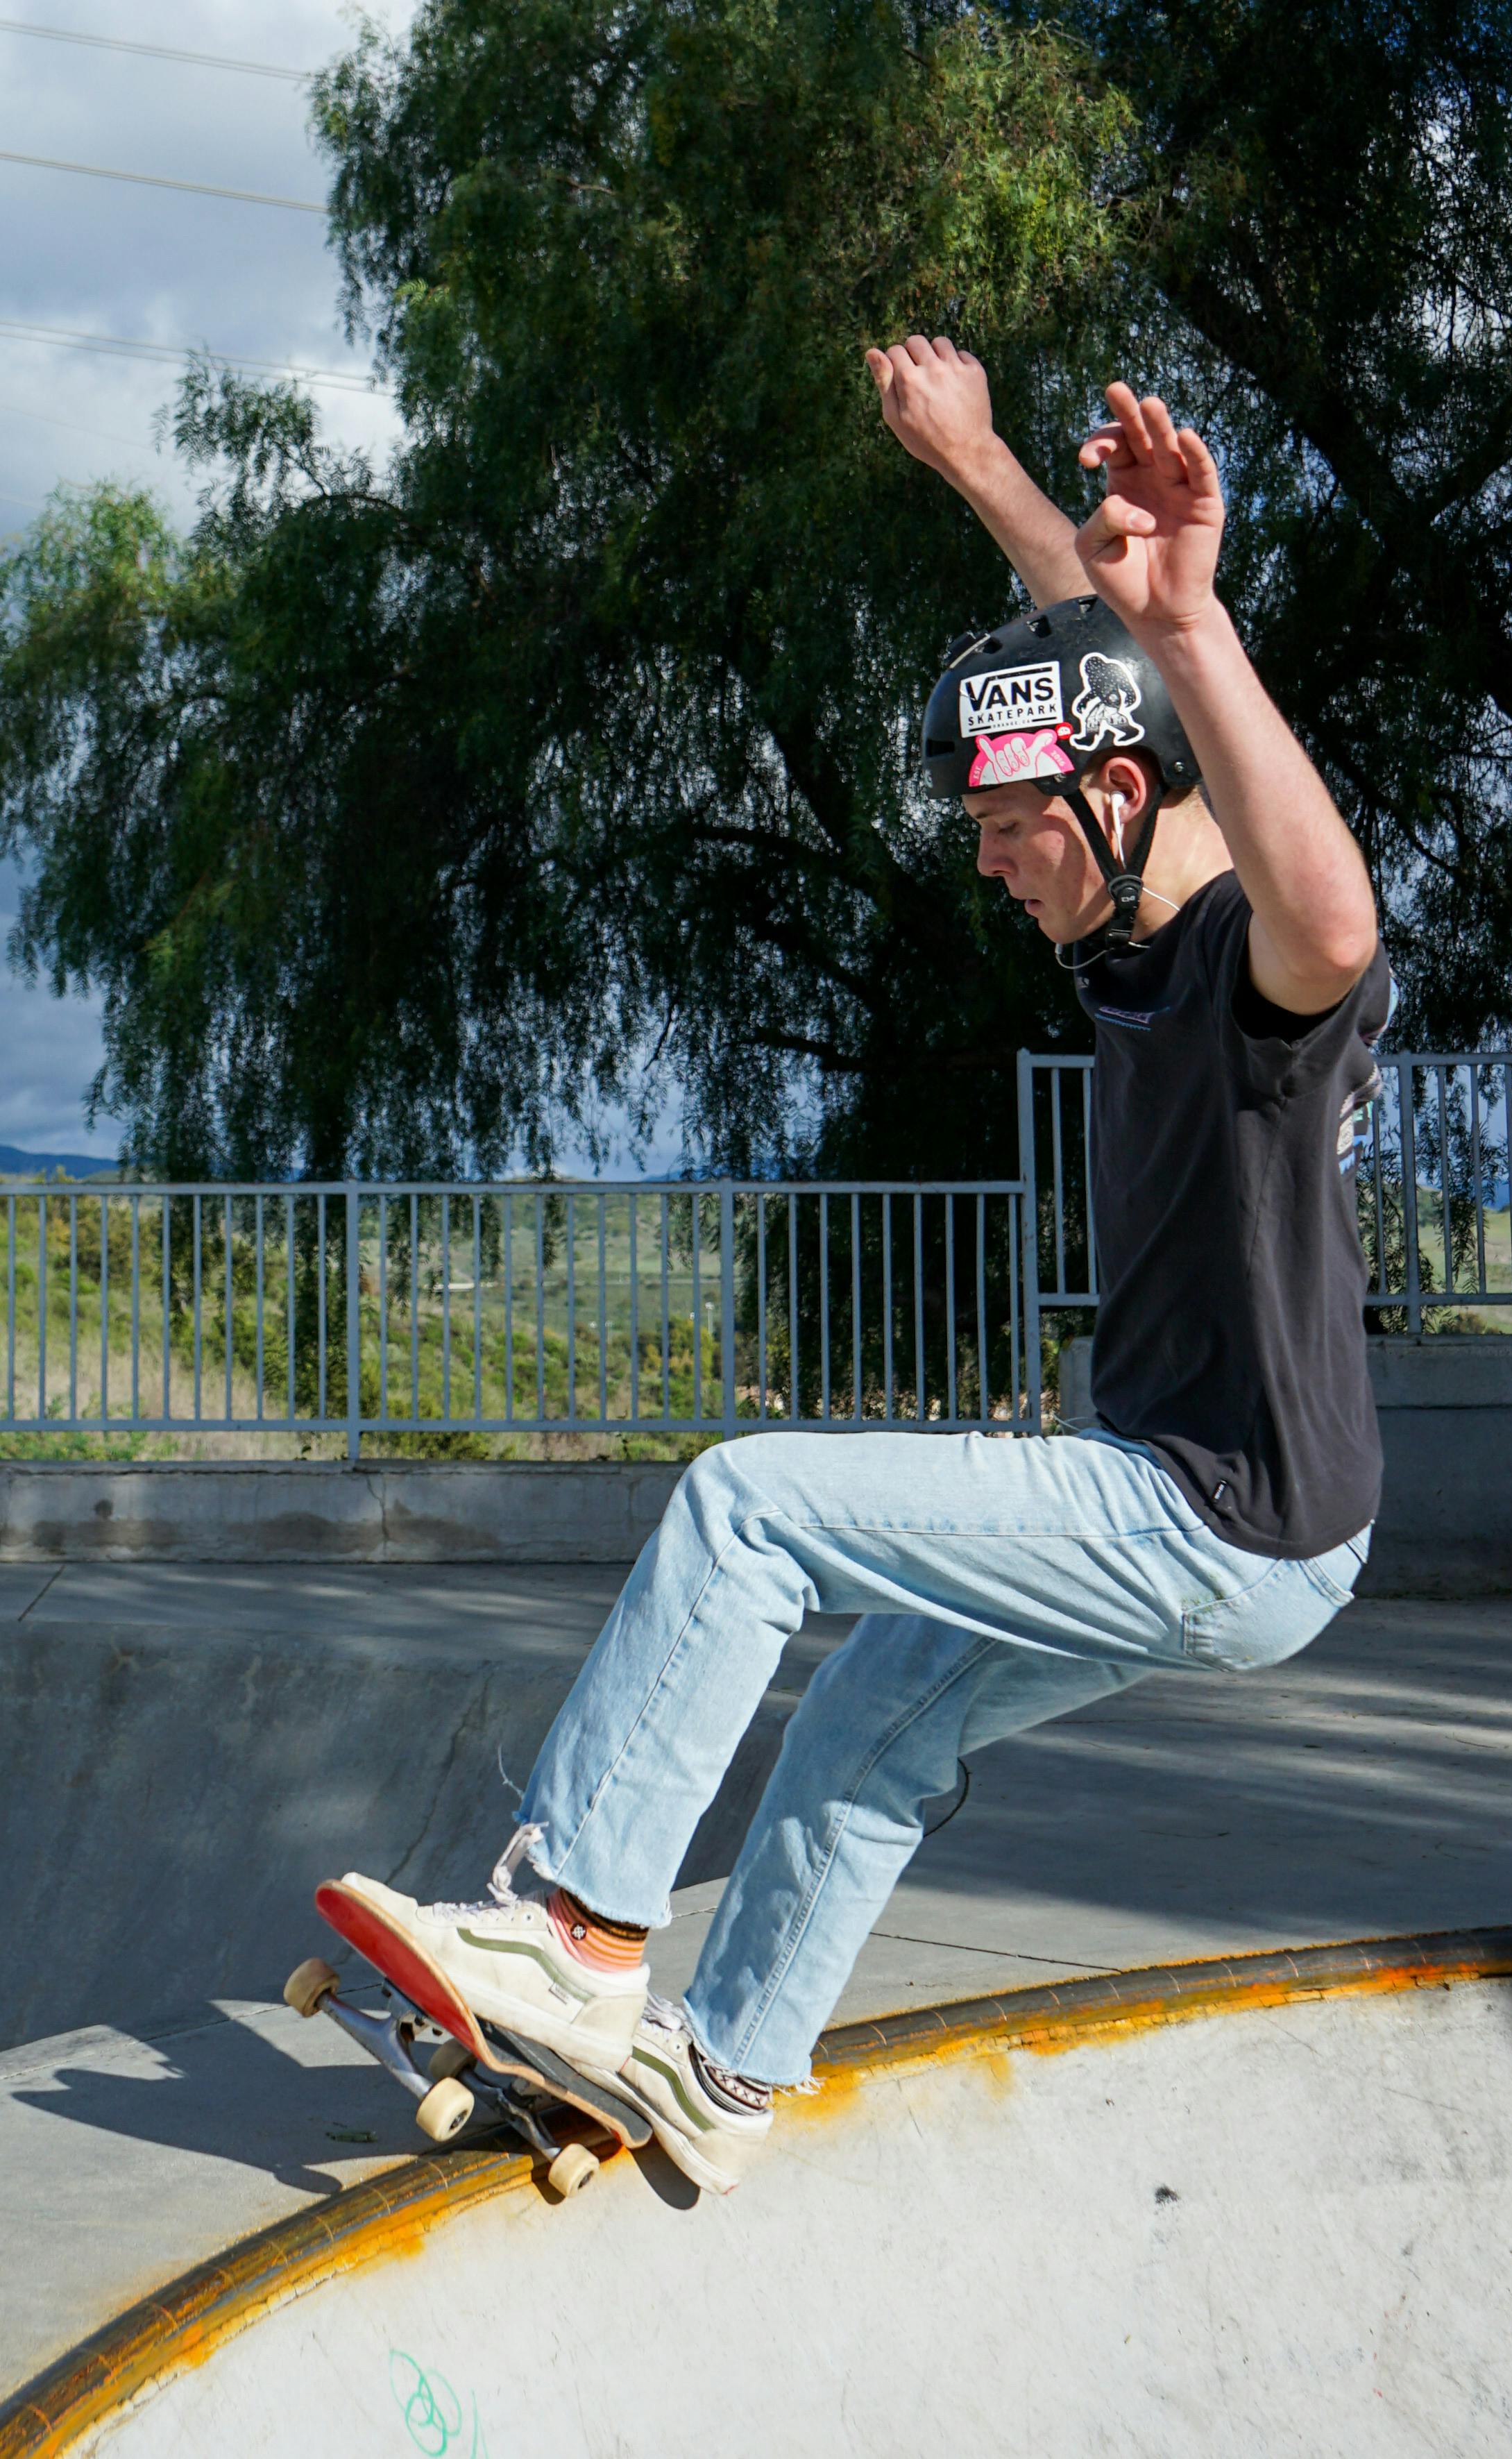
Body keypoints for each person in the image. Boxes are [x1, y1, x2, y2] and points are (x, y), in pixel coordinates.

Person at [339, 339, 1389, 2197]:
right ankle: (721, 2078)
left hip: (1208, 1506)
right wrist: (988, 472)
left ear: (1117, 803)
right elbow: (1099, 674)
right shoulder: (1122, 909)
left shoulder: (1250, 971)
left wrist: (1203, 623)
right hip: (1247, 1517)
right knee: (868, 1720)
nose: (988, 868)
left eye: (1006, 833)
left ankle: (576, 1937)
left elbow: (1322, 899)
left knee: (747, 1508)